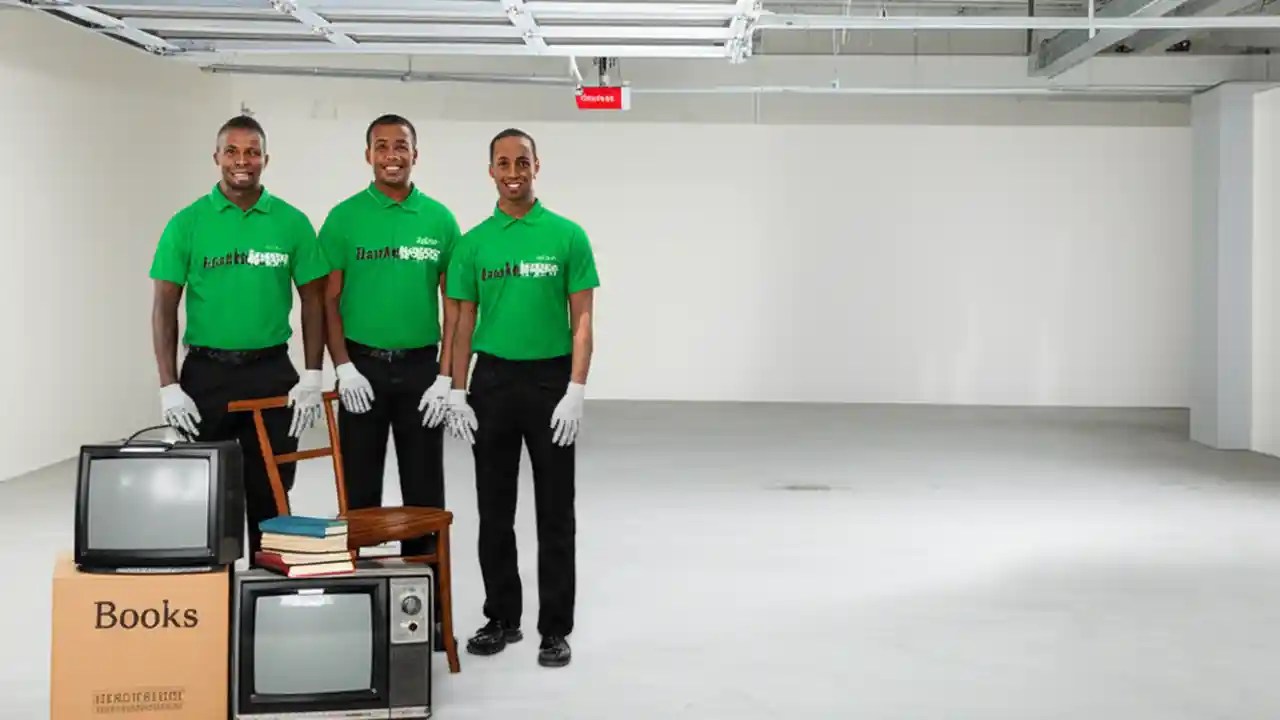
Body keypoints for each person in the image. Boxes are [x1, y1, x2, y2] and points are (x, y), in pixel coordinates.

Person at [445, 127, 600, 669]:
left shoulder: (567, 235)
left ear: (538, 166)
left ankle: (555, 629)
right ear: (490, 170)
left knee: (556, 512)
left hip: (549, 383)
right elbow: (462, 322)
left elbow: (582, 320)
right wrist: (457, 389)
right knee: (494, 509)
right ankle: (501, 617)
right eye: (503, 163)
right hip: (492, 385)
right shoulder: (473, 242)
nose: (514, 172)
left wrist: (576, 389)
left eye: (523, 162)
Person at [150, 114, 330, 558]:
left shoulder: (292, 222)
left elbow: (314, 301)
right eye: (232, 151)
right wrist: (169, 385)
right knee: (209, 493)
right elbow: (164, 307)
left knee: (272, 489)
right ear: (217, 157)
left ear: (266, 159)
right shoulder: (187, 223)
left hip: (271, 373)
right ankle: (213, 597)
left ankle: (266, 596)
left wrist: (311, 374)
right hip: (206, 376)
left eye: (252, 152)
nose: (242, 161)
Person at [319, 113, 460, 561]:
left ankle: (428, 590)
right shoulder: (343, 219)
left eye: (400, 146)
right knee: (359, 485)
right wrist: (343, 367)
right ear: (368, 156)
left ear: (415, 155)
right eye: (381, 146)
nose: (391, 156)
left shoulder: (440, 220)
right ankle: (361, 587)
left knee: (424, 488)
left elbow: (454, 306)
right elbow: (328, 301)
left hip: (421, 367)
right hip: (363, 367)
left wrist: (447, 378)